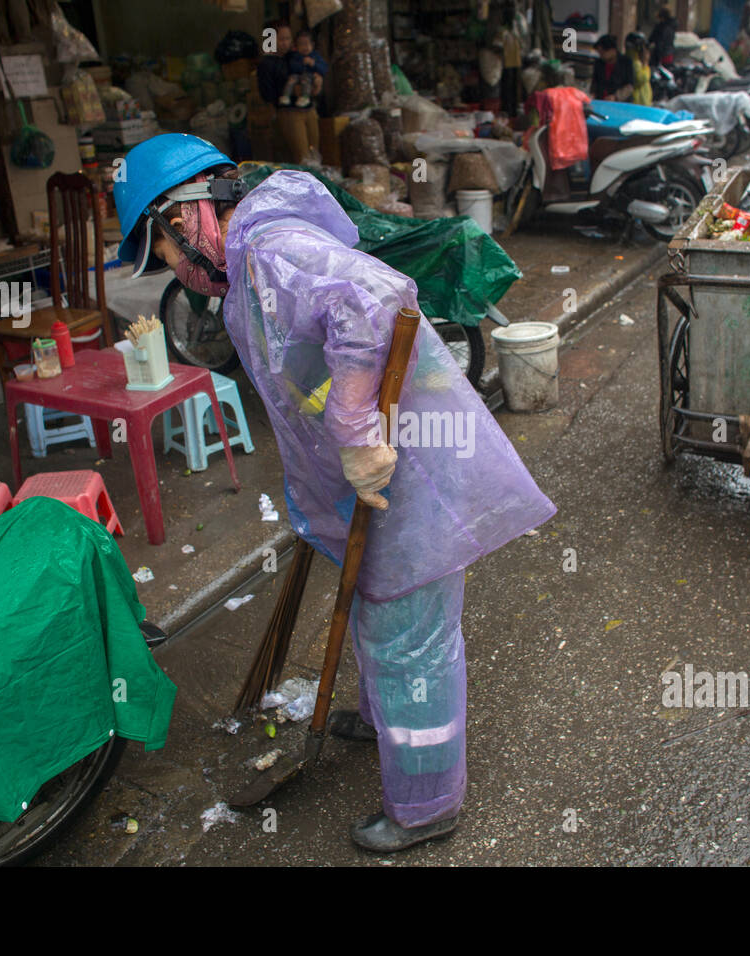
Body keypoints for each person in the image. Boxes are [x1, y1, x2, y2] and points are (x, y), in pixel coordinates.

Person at [112, 134, 556, 852]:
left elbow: (378, 298)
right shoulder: (252, 266)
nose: (166, 266)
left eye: (159, 246)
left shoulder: (272, 247)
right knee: (382, 617)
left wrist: (355, 433)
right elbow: (307, 369)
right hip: (381, 473)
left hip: (406, 469)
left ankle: (426, 803)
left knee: (412, 637)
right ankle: (383, 722)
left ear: (187, 216)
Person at [255, 20, 319, 163]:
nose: (285, 43)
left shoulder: (296, 57)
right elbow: (267, 95)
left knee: (315, 153)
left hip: (309, 110)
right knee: (303, 158)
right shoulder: (267, 64)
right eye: (281, 39)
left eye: (288, 39)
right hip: (289, 113)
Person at [281, 29, 328, 108]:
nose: (304, 47)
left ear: (312, 45)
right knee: (291, 80)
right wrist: (301, 64)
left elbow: (324, 68)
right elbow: (292, 67)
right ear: (296, 47)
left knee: (306, 80)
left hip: (309, 77)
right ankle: (286, 95)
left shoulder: (315, 56)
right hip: (297, 76)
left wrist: (313, 64)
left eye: (306, 44)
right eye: (301, 44)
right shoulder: (295, 56)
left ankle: (305, 97)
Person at [591, 34, 636, 101]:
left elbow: (630, 86)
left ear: (613, 50)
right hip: (601, 101)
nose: (601, 56)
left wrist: (616, 97)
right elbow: (595, 82)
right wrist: (593, 93)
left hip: (620, 104)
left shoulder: (626, 62)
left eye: (603, 53)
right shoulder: (599, 63)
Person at [625, 32, 653, 105]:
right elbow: (641, 78)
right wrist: (645, 63)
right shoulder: (635, 62)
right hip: (638, 101)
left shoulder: (634, 60)